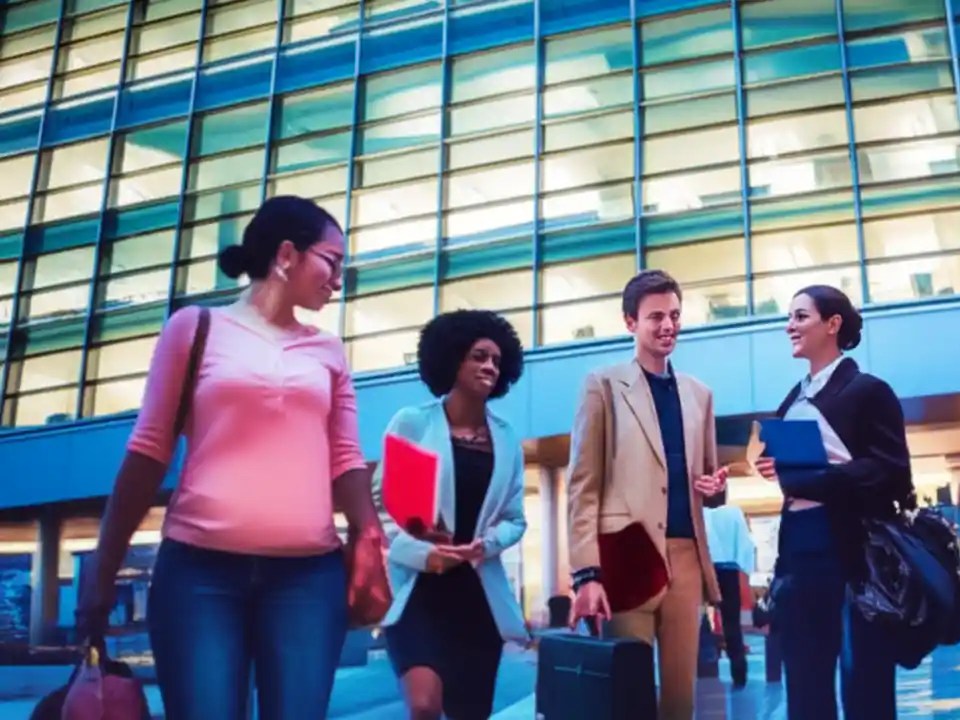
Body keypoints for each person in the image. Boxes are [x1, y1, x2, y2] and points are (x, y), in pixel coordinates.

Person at [77, 195, 386, 719]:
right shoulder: (195, 328)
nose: (338, 280)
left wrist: (369, 536)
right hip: (199, 574)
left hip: (308, 579)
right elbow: (149, 450)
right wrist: (103, 568)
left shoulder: (328, 352)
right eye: (332, 262)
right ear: (286, 255)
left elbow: (345, 457)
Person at [566, 269, 728, 720]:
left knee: (680, 701)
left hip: (686, 558)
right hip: (627, 555)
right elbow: (583, 484)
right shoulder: (602, 384)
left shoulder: (700, 394)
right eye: (656, 316)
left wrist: (716, 489)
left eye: (675, 315)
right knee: (629, 696)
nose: (668, 325)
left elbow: (709, 482)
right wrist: (585, 573)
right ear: (629, 322)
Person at [754, 284, 912, 720]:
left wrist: (816, 481)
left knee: (864, 678)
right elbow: (799, 475)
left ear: (833, 324)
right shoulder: (794, 398)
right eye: (789, 317)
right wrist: (782, 472)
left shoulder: (868, 391)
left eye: (800, 316)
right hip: (799, 549)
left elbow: (893, 471)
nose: (790, 326)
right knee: (804, 682)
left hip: (852, 548)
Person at [373, 310, 530, 720]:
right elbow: (382, 507)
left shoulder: (507, 437)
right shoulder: (412, 423)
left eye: (496, 360)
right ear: (453, 358)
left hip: (477, 596)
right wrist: (425, 553)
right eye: (479, 356)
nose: (489, 367)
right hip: (418, 594)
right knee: (424, 706)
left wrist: (487, 545)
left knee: (469, 713)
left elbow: (515, 517)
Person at [701, 491, 756, 687]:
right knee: (732, 624)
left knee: (699, 619)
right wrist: (745, 569)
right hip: (730, 570)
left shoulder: (699, 512)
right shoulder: (734, 513)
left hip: (704, 568)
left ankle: (704, 666)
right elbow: (745, 544)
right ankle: (739, 673)